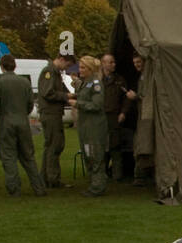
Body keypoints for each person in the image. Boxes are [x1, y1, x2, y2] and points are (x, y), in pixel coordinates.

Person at [0, 55, 46, 196]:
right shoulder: (25, 82)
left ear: (2, 66)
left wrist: (0, 115)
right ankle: (39, 188)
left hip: (7, 122)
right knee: (28, 157)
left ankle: (14, 189)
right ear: (15, 66)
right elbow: (30, 105)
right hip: (23, 122)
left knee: (8, 156)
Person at [68, 55, 107, 196]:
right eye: (80, 67)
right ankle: (93, 183)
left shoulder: (96, 83)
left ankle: (98, 186)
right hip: (85, 126)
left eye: (83, 67)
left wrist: (78, 104)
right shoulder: (85, 83)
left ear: (90, 69)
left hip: (94, 127)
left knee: (95, 155)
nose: (80, 70)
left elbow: (97, 105)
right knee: (88, 155)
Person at [37, 53, 73, 187]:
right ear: (62, 60)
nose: (66, 68)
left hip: (52, 113)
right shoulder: (49, 71)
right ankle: (53, 179)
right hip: (50, 113)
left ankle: (45, 177)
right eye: (67, 65)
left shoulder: (54, 72)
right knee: (55, 145)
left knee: (50, 145)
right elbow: (48, 92)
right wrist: (65, 96)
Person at [124, 52, 154, 187]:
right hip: (143, 115)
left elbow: (148, 95)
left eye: (139, 62)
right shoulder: (143, 76)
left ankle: (141, 176)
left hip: (147, 116)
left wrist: (135, 96)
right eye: (135, 63)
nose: (136, 65)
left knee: (143, 143)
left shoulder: (148, 76)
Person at [100, 52, 128, 180]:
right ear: (103, 64)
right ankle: (102, 173)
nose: (113, 64)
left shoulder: (119, 80)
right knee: (102, 146)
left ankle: (117, 175)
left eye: (114, 62)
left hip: (114, 116)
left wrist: (123, 112)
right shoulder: (97, 80)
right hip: (100, 117)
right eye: (110, 62)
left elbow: (126, 98)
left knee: (115, 146)